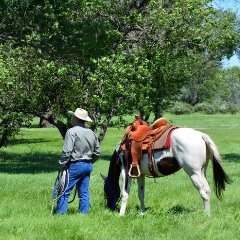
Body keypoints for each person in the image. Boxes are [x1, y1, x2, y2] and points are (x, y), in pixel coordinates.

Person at [56, 108, 100, 215]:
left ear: (76, 119)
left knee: (63, 192)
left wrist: (61, 165)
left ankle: (60, 216)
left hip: (75, 165)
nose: (71, 119)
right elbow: (97, 152)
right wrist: (88, 162)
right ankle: (83, 215)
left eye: (73, 117)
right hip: (88, 165)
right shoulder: (91, 133)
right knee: (84, 193)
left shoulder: (71, 132)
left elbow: (67, 152)